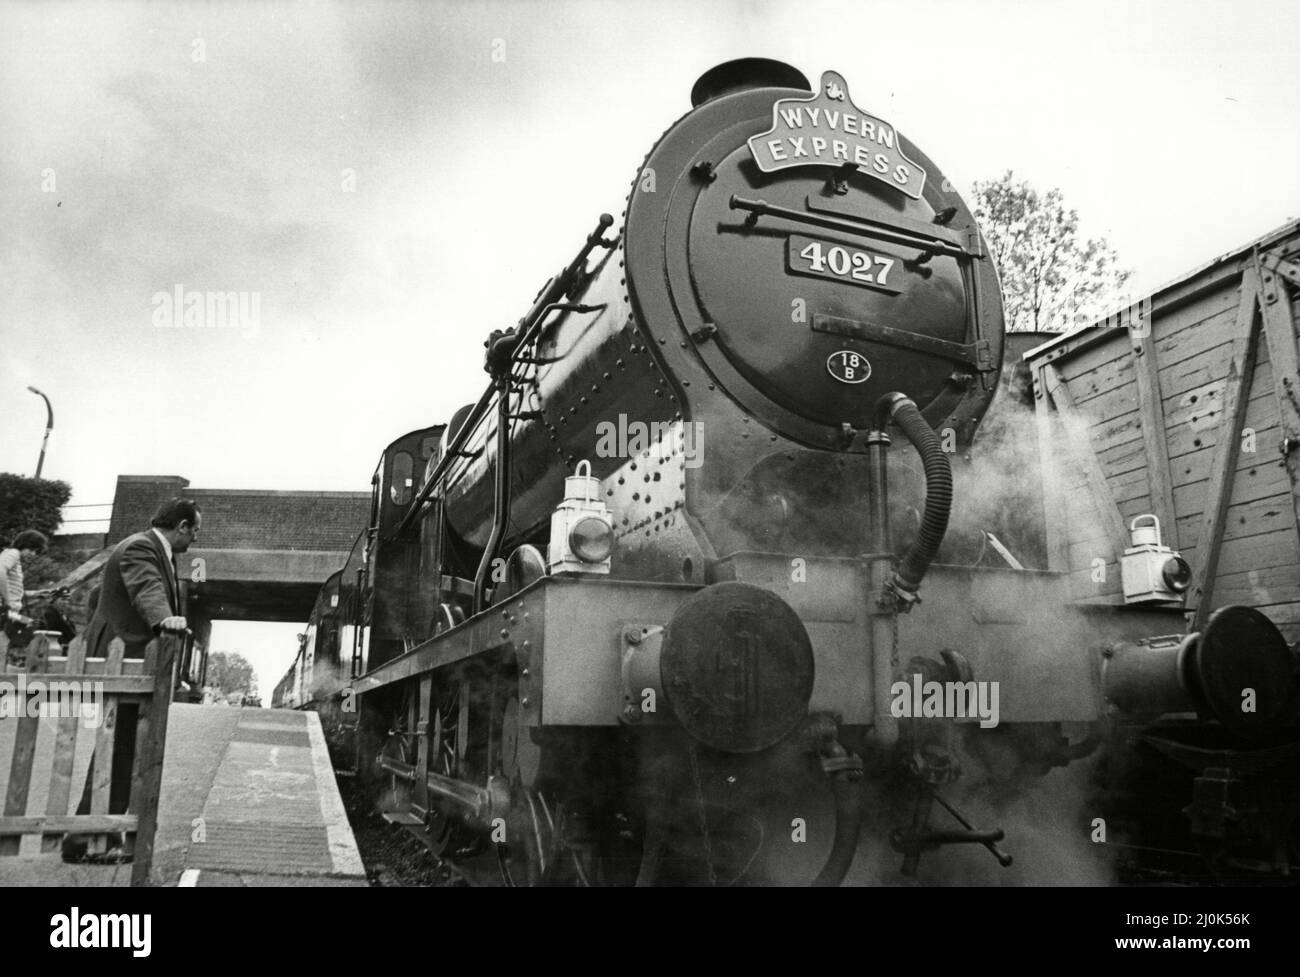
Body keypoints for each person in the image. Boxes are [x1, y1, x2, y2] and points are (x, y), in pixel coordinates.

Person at [63, 498, 201, 863]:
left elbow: (101, 594)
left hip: (128, 658)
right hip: (126, 660)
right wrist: (163, 619)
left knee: (119, 748)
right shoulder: (143, 546)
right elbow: (146, 588)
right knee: (118, 748)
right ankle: (86, 841)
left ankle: (92, 837)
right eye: (195, 531)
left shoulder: (149, 549)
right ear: (183, 525)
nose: (195, 540)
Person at [1, 530, 48, 650]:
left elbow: (14, 588)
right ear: (26, 545)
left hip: (11, 611)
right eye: (33, 550)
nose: (33, 554)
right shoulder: (13, 553)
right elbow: (0, 572)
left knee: (32, 624)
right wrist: (8, 600)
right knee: (31, 626)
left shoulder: (14, 558)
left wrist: (36, 593)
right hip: (6, 610)